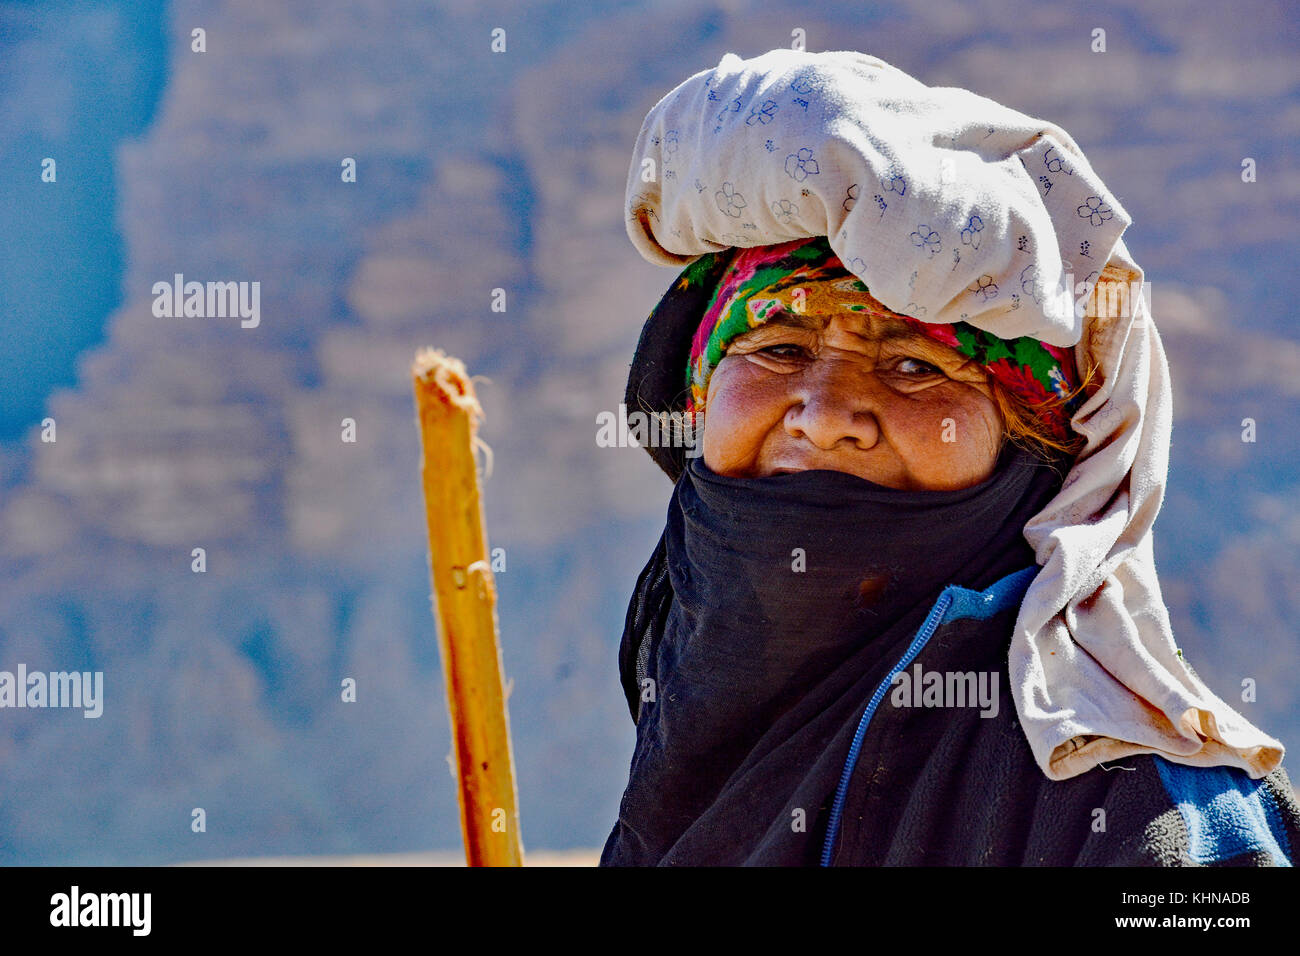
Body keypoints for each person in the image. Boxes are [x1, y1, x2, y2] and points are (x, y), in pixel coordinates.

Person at [599, 48, 1300, 866]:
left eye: (914, 368)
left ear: (1033, 452)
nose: (826, 419)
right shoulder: (692, 739)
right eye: (778, 347)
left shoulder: (1146, 818)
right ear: (697, 396)